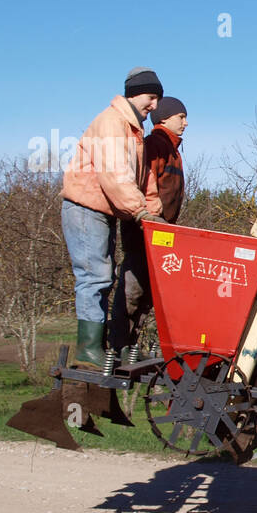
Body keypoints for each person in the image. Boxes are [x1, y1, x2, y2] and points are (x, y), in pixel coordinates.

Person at [61, 67, 163, 365]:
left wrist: (157, 218)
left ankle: (105, 346)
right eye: (151, 97)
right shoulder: (111, 123)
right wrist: (140, 211)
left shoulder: (134, 131)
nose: (154, 106)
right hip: (84, 209)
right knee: (94, 276)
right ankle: (87, 350)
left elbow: (145, 182)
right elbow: (115, 176)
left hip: (103, 211)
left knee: (105, 276)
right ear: (135, 93)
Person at [108, 96, 187, 359]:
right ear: (163, 118)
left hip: (162, 233)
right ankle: (117, 346)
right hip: (143, 229)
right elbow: (144, 184)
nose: (186, 123)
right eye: (181, 117)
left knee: (148, 293)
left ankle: (130, 347)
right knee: (133, 288)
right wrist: (148, 220)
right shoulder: (155, 145)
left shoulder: (174, 150)